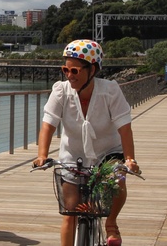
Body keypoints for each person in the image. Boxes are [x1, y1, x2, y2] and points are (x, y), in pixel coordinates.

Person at [31, 39, 140, 246]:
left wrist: (129, 159)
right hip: (73, 154)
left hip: (108, 151)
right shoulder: (61, 91)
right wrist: (42, 155)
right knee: (70, 210)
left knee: (118, 179)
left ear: (93, 70)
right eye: (65, 70)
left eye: (75, 71)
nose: (69, 76)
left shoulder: (110, 91)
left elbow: (125, 128)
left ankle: (111, 223)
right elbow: (48, 125)